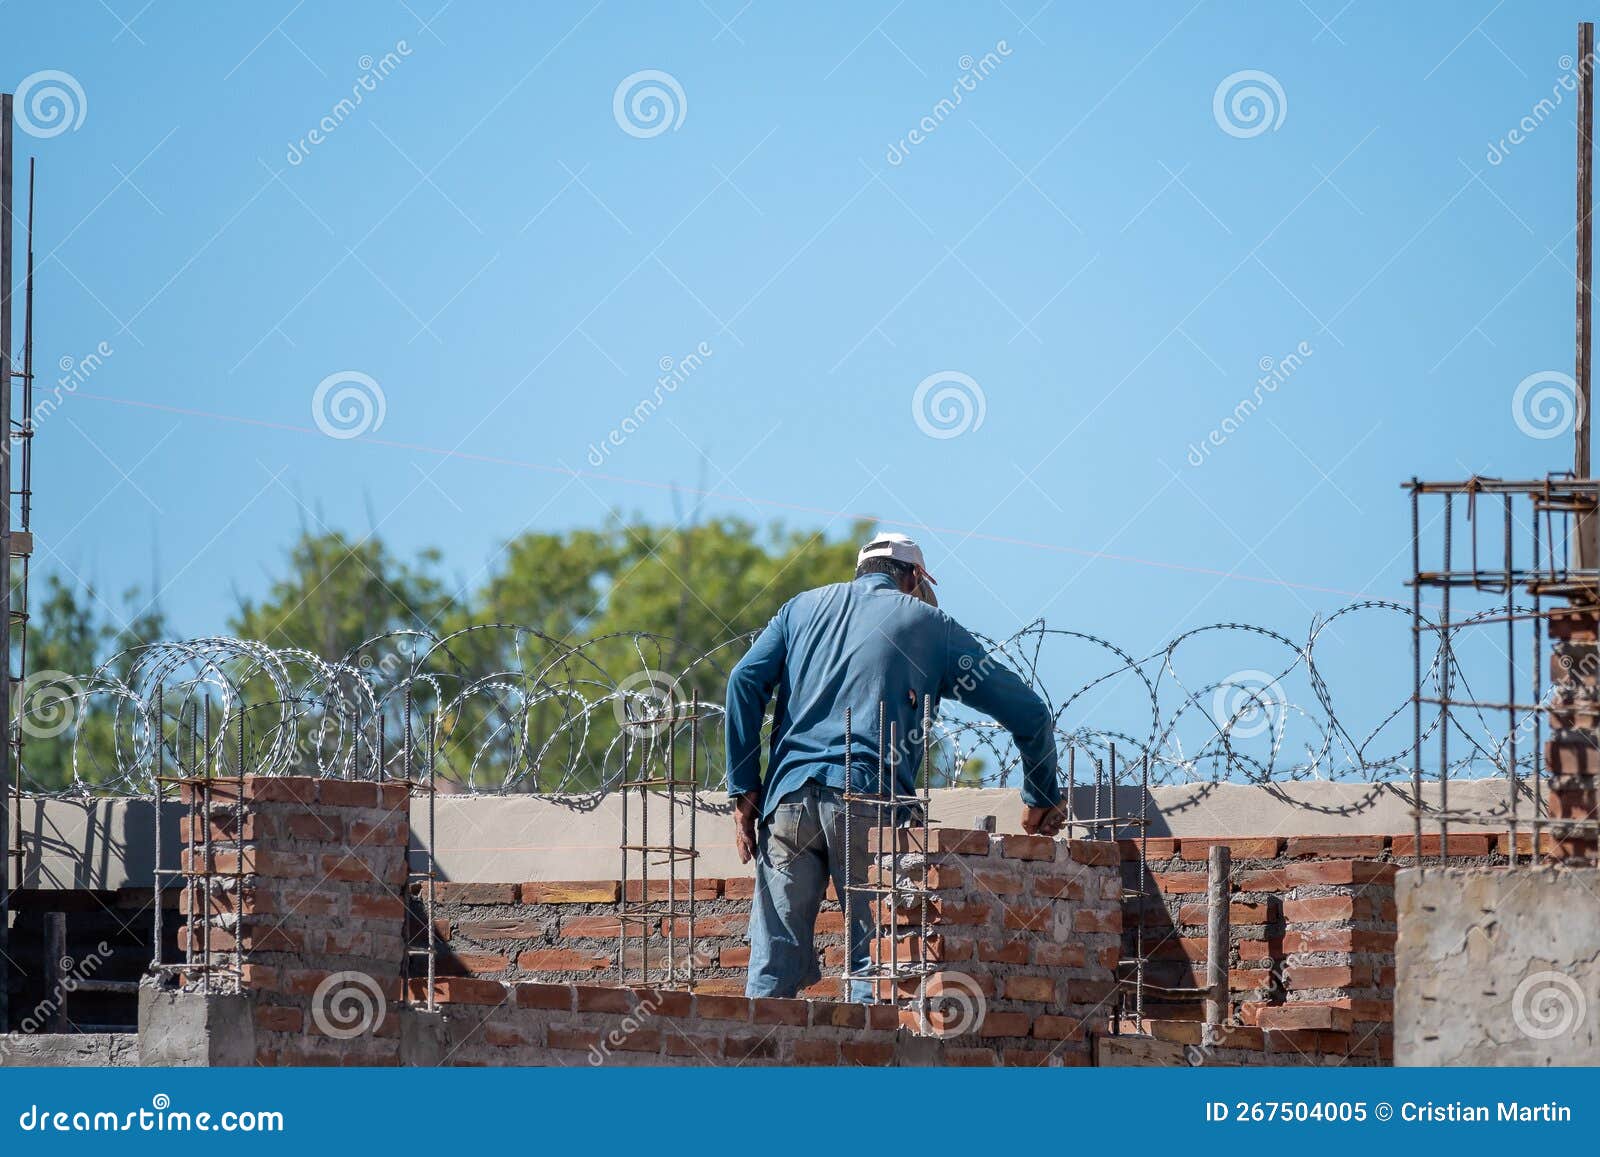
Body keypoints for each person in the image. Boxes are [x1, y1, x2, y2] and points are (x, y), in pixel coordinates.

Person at [724, 531, 1066, 1000]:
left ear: (861, 569)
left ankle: (755, 1066)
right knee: (875, 963)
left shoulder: (801, 609)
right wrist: (1041, 796)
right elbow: (1029, 712)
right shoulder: (930, 624)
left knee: (772, 967)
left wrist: (744, 790)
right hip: (869, 804)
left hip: (787, 803)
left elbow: (743, 679)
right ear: (914, 576)